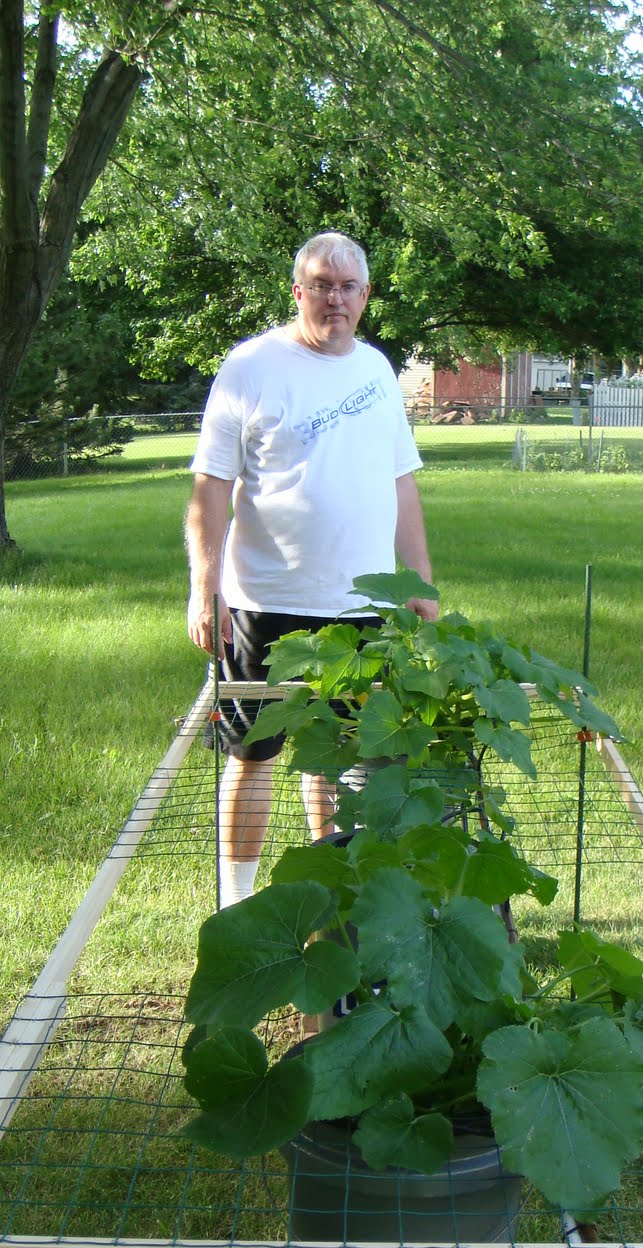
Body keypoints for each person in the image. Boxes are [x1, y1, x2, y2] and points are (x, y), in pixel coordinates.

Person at [184, 231, 438, 904]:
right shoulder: (251, 366)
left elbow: (402, 484)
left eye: (348, 287)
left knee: (341, 753)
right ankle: (237, 904)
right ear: (297, 291)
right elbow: (210, 487)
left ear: (366, 296)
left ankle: (329, 892)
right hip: (266, 601)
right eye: (321, 285)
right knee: (252, 755)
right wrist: (201, 587)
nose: (335, 299)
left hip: (359, 606)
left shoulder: (377, 372)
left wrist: (419, 584)